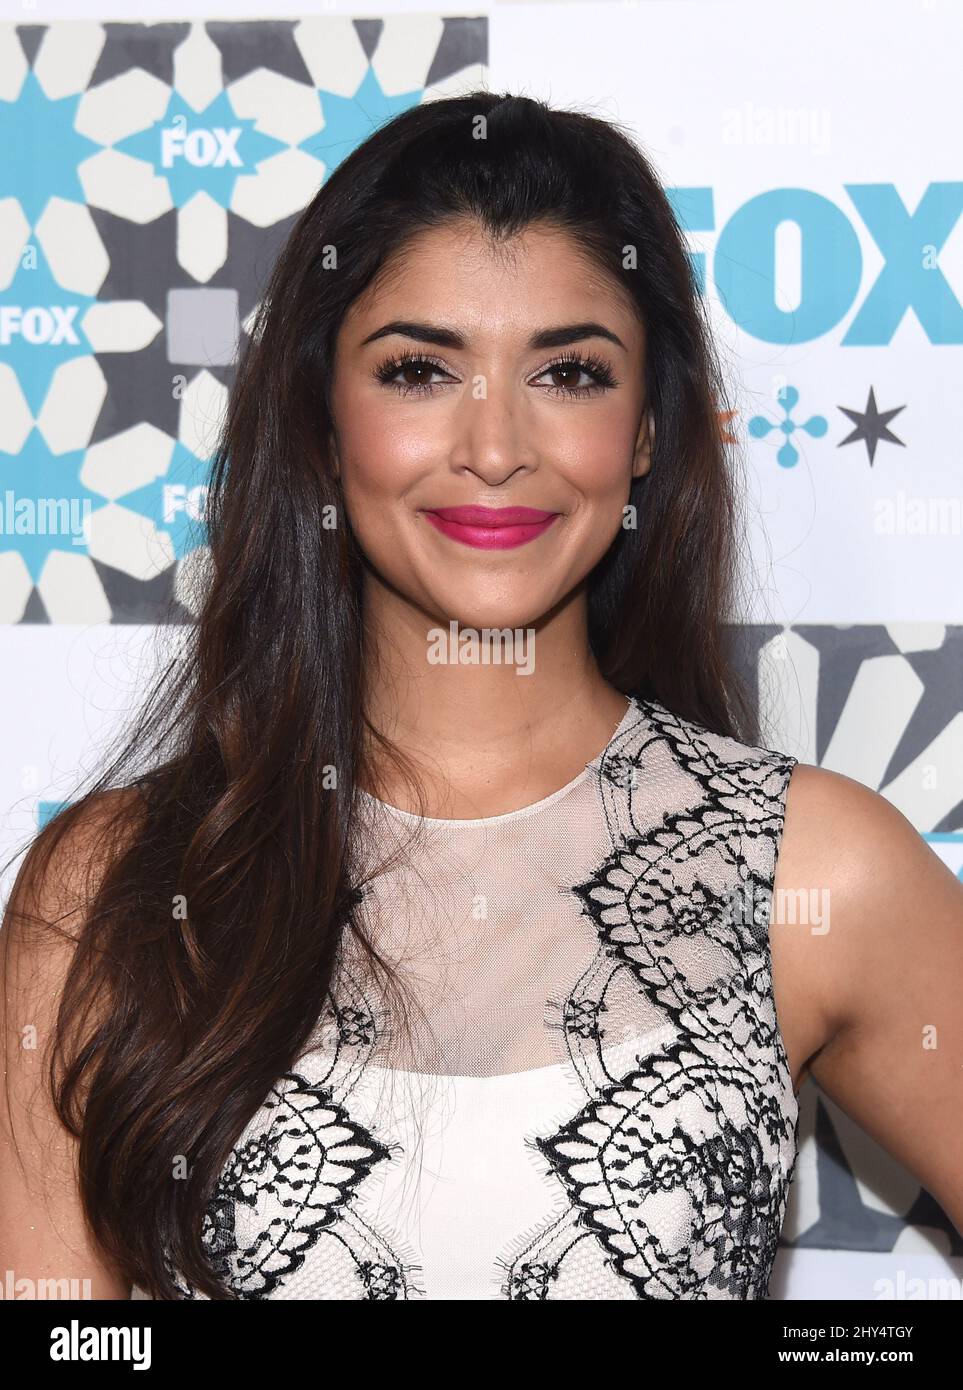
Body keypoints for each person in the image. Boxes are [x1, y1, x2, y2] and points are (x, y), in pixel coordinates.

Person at [1, 91, 960, 1302]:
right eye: (418, 369)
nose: (496, 443)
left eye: (569, 371)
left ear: (650, 429)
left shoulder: (812, 869)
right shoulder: (113, 889)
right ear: (318, 418)